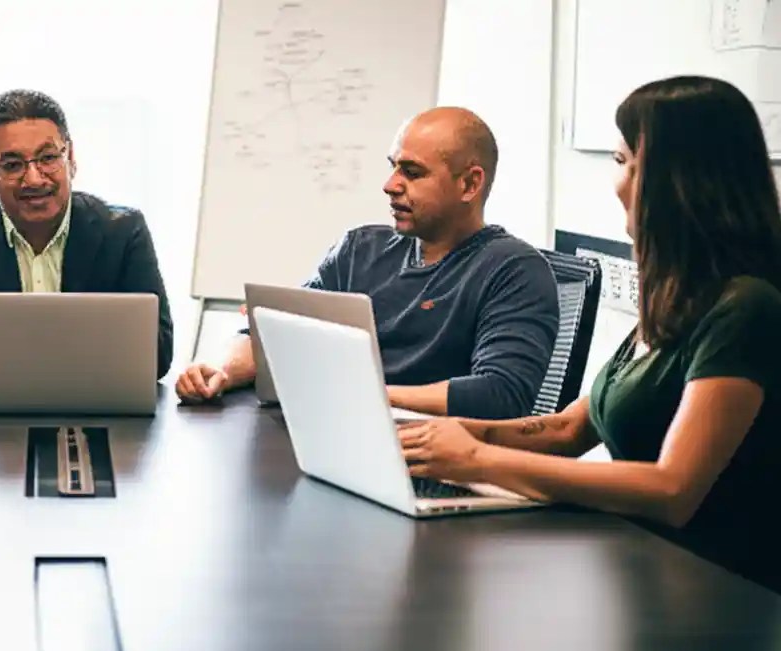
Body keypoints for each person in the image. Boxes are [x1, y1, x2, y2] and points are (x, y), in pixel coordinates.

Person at [398, 76, 781, 591]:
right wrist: (436, 437)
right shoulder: (677, 299)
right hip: (645, 574)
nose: (615, 181)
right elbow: (568, 430)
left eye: (623, 162)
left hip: (721, 600)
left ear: (676, 180)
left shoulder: (745, 309)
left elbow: (673, 488)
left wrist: (478, 459)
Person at [177, 107, 560, 420]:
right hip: (339, 439)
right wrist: (223, 371)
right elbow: (276, 335)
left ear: (469, 185)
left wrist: (363, 396)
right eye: (393, 166)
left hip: (428, 462)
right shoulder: (360, 248)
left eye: (411, 172)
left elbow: (500, 395)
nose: (390, 184)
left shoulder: (514, 270)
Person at [0, 89, 174, 394]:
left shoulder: (122, 230)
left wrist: (45, 367)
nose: (34, 179)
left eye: (48, 158)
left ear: (71, 159)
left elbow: (158, 348)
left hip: (96, 405)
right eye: (12, 165)